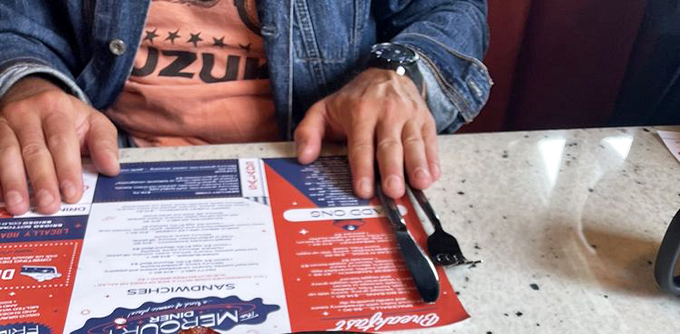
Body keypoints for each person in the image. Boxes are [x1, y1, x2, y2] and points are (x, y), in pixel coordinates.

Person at [0, 0, 490, 217]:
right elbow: (18, 21)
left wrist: (397, 72)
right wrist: (25, 84)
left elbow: (449, 8)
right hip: (110, 160)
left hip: (320, 159)